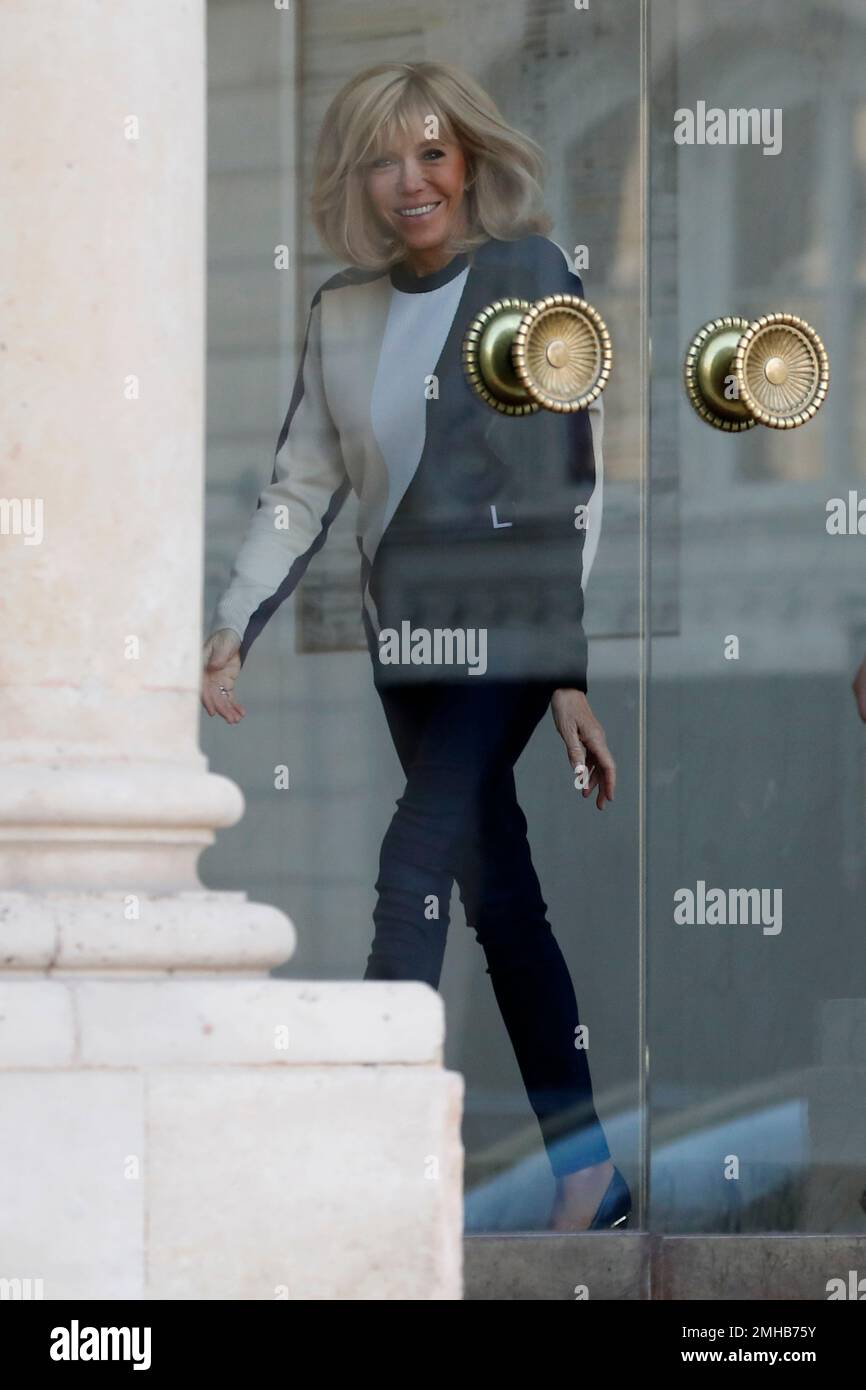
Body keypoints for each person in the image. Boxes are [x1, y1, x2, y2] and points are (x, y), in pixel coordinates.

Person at [201, 60, 629, 1231]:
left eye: (431, 153)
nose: (410, 180)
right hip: (411, 644)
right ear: (358, 177)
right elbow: (300, 489)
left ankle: (370, 1172)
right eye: (385, 158)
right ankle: (591, 1174)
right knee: (504, 904)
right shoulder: (340, 311)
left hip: (504, 632)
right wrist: (232, 624)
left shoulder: (529, 277)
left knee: (410, 866)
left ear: (469, 161)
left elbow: (569, 488)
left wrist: (562, 675)